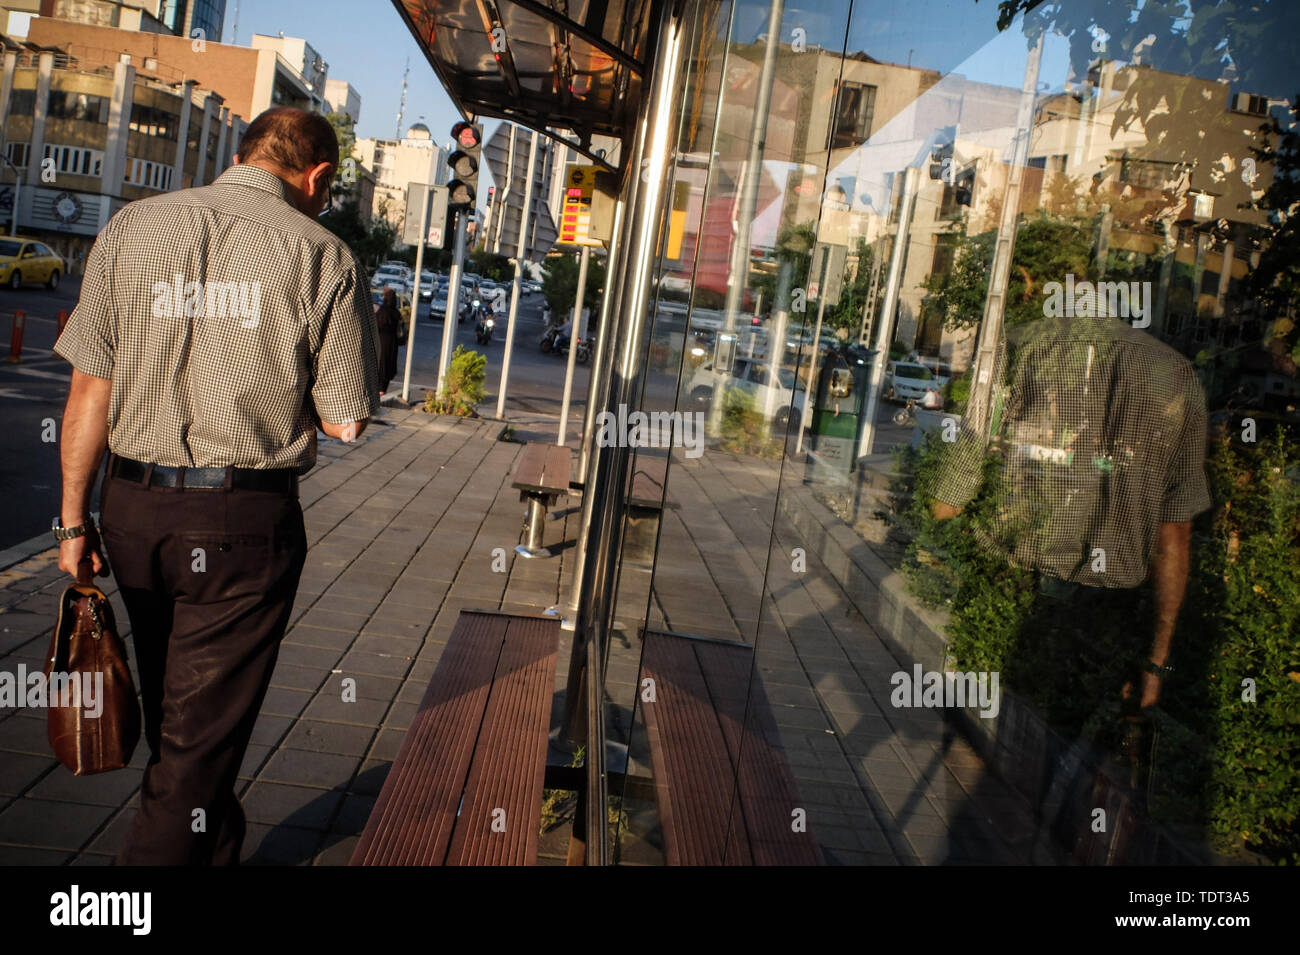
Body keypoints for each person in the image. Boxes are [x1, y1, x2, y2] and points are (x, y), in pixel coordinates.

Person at [53, 106, 379, 865]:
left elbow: (88, 394)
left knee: (188, 716)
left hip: (131, 509)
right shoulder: (323, 254)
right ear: (317, 174)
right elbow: (346, 423)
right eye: (326, 189)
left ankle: (213, 843)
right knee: (197, 740)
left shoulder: (132, 227)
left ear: (243, 153)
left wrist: (73, 526)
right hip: (240, 520)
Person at [374, 286, 402, 394]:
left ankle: (379, 390)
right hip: (392, 344)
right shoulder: (396, 313)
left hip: (381, 342)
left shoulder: (382, 312)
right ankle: (383, 390)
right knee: (388, 366)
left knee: (380, 365)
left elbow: (377, 325)